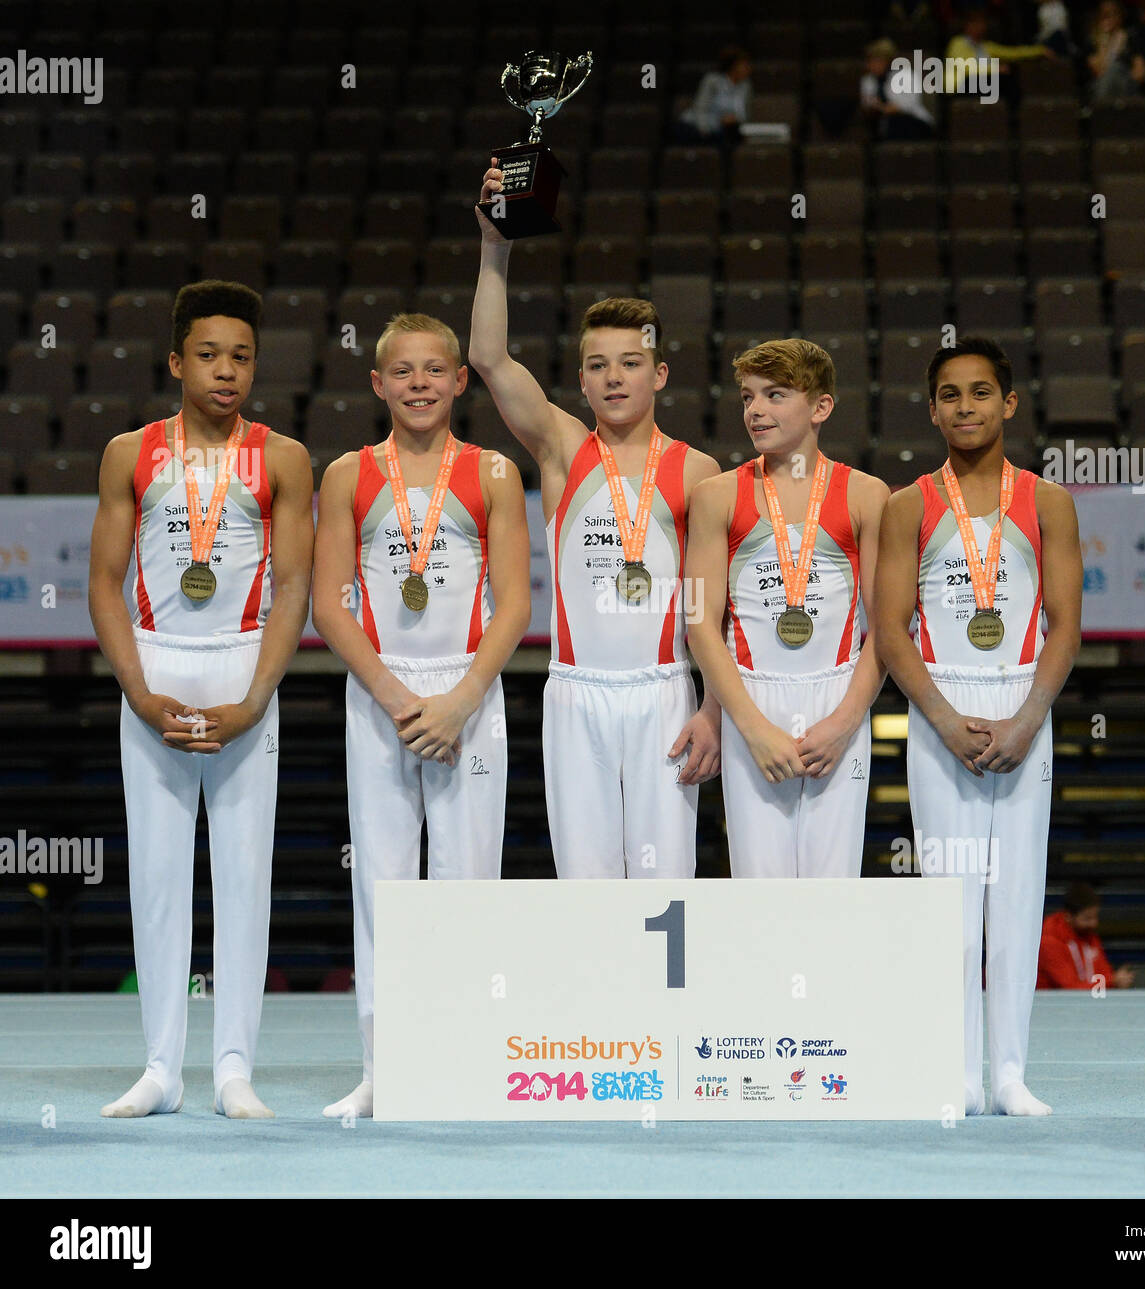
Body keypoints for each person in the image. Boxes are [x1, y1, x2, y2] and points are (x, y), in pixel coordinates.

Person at [88, 280, 315, 1119]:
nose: (227, 371)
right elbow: (103, 585)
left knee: (244, 877)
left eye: (242, 357)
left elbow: (293, 590)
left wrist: (256, 698)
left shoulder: (284, 458)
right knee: (156, 875)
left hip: (243, 669)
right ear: (177, 361)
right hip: (155, 669)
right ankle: (161, 1066)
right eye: (210, 355)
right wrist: (140, 692)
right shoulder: (130, 452)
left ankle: (232, 1068)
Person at [471, 164, 722, 880]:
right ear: (580, 381)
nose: (614, 377)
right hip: (575, 691)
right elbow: (487, 357)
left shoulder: (699, 472)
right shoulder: (562, 449)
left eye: (631, 363)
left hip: (665, 689)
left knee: (664, 883)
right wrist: (495, 246)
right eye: (598, 365)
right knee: (585, 884)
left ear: (659, 374)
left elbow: (714, 609)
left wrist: (713, 710)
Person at [312, 314, 531, 1119]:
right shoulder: (348, 474)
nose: (419, 385)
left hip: (469, 694)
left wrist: (461, 699)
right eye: (402, 372)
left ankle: (463, 1062)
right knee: (383, 885)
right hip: (382, 695)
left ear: (461, 380)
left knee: (467, 883)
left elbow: (516, 604)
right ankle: (385, 1067)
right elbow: (330, 606)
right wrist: (399, 698)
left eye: (435, 370)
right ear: (378, 384)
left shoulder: (494, 472)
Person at [874, 335, 1083, 1117]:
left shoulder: (1048, 502)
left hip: (1023, 699)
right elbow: (890, 629)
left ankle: (1009, 1074)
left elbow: (1065, 625)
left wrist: (1028, 719)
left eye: (981, 391)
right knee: (950, 903)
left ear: (1010, 402)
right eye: (950, 395)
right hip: (942, 706)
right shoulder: (908, 505)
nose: (966, 406)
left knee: (1017, 897)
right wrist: (940, 719)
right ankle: (957, 1070)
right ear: (932, 411)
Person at [686, 339, 888, 878]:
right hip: (750, 698)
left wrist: (845, 722)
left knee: (832, 887)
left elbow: (886, 629)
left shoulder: (866, 495)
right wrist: (749, 726)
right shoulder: (716, 495)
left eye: (775, 395)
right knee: (761, 889)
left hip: (839, 696)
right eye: (747, 397)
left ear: (821, 406)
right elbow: (699, 623)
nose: (755, 410)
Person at [1038, 882, 1136, 989]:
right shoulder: (1049, 942)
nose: (1094, 923)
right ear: (1068, 917)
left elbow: (1104, 973)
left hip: (1085, 998)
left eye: (1095, 917)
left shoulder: (1087, 935)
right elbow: (1070, 987)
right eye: (1087, 918)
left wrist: (1112, 980)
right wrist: (1112, 982)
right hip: (1051, 999)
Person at [943, 4, 1055, 94]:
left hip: (983, 83)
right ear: (967, 25)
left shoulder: (986, 46)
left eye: (982, 23)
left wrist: (1040, 50)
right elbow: (965, 67)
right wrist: (994, 69)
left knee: (1009, 77)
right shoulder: (957, 43)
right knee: (998, 79)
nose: (979, 27)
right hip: (961, 85)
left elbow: (1013, 53)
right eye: (975, 23)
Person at [673, 46, 752, 147]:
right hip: (698, 126)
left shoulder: (746, 86)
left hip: (726, 131)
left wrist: (735, 120)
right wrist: (705, 129)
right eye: (744, 65)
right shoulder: (712, 81)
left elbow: (744, 114)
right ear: (733, 66)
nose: (749, 68)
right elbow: (700, 109)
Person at [861, 37, 936, 140]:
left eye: (877, 61)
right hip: (882, 123)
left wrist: (886, 108)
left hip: (913, 121)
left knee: (896, 122)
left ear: (888, 61)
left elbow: (910, 105)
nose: (873, 65)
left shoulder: (906, 75)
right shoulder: (867, 80)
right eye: (870, 61)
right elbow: (867, 105)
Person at [1087, 0, 1145, 101]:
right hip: (1100, 85)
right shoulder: (1093, 41)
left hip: (1126, 85)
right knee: (1111, 73)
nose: (1110, 18)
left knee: (1117, 68)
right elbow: (1098, 71)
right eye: (1105, 15)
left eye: (1114, 13)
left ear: (1121, 16)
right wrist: (1104, 40)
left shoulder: (1131, 38)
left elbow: (1140, 73)